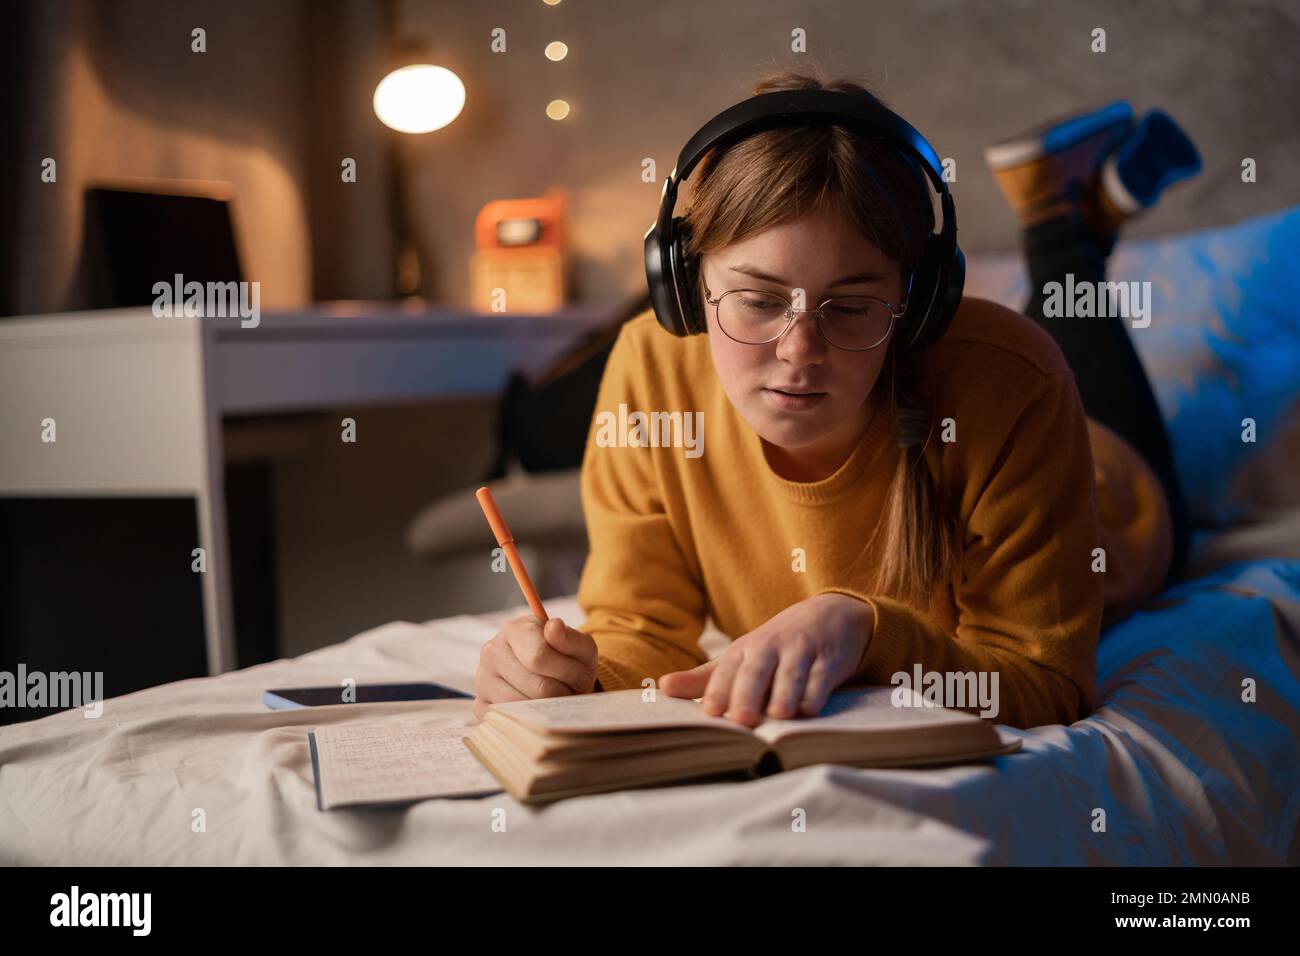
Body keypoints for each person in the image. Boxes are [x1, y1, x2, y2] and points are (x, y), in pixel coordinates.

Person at [472, 66, 1201, 729]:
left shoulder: (1016, 383)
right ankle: (1081, 215)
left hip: (1115, 491)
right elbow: (641, 629)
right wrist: (574, 675)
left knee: (1062, 321)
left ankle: (1061, 228)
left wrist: (864, 630)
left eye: (850, 308)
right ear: (687, 287)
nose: (799, 352)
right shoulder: (649, 369)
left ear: (917, 308)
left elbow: (1044, 679)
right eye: (757, 301)